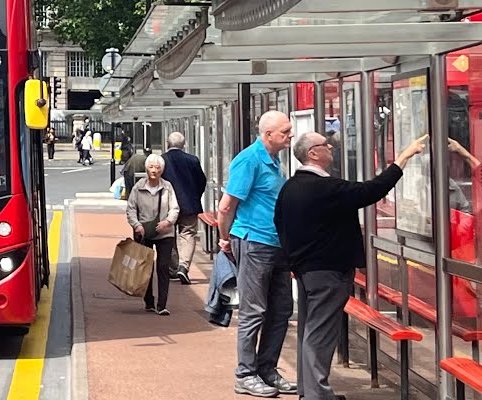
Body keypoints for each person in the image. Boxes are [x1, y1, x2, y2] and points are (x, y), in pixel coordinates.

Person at [275, 132, 421, 400]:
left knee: (311, 330)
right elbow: (372, 190)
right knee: (320, 334)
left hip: (307, 271)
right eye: (324, 145)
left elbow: (280, 225)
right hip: (329, 273)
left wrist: (294, 261)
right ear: (313, 154)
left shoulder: (289, 187)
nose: (331, 147)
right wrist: (403, 158)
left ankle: (310, 391)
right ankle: (318, 394)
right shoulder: (326, 188)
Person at [218, 110, 296, 398]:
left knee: (281, 309)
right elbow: (226, 206)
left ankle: (266, 369)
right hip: (253, 242)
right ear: (268, 135)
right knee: (255, 310)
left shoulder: (274, 160)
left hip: (275, 244)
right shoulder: (249, 160)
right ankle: (245, 373)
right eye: (285, 131)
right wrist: (225, 240)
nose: (290, 136)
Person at [126, 154, 180, 315]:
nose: (154, 170)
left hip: (165, 233)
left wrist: (168, 222)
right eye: (151, 167)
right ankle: (149, 300)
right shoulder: (138, 187)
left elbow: (175, 208)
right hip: (144, 233)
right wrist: (137, 225)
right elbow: (130, 209)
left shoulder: (168, 187)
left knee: (163, 267)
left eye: (157, 168)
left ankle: (162, 304)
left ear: (162, 170)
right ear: (146, 169)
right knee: (146, 268)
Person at [162, 131, 207, 285]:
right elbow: (202, 181)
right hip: (189, 204)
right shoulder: (192, 160)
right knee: (188, 234)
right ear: (183, 145)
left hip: (167, 206)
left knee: (169, 236)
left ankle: (173, 268)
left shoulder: (162, 160)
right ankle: (184, 266)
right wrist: (194, 196)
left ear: (168, 143)